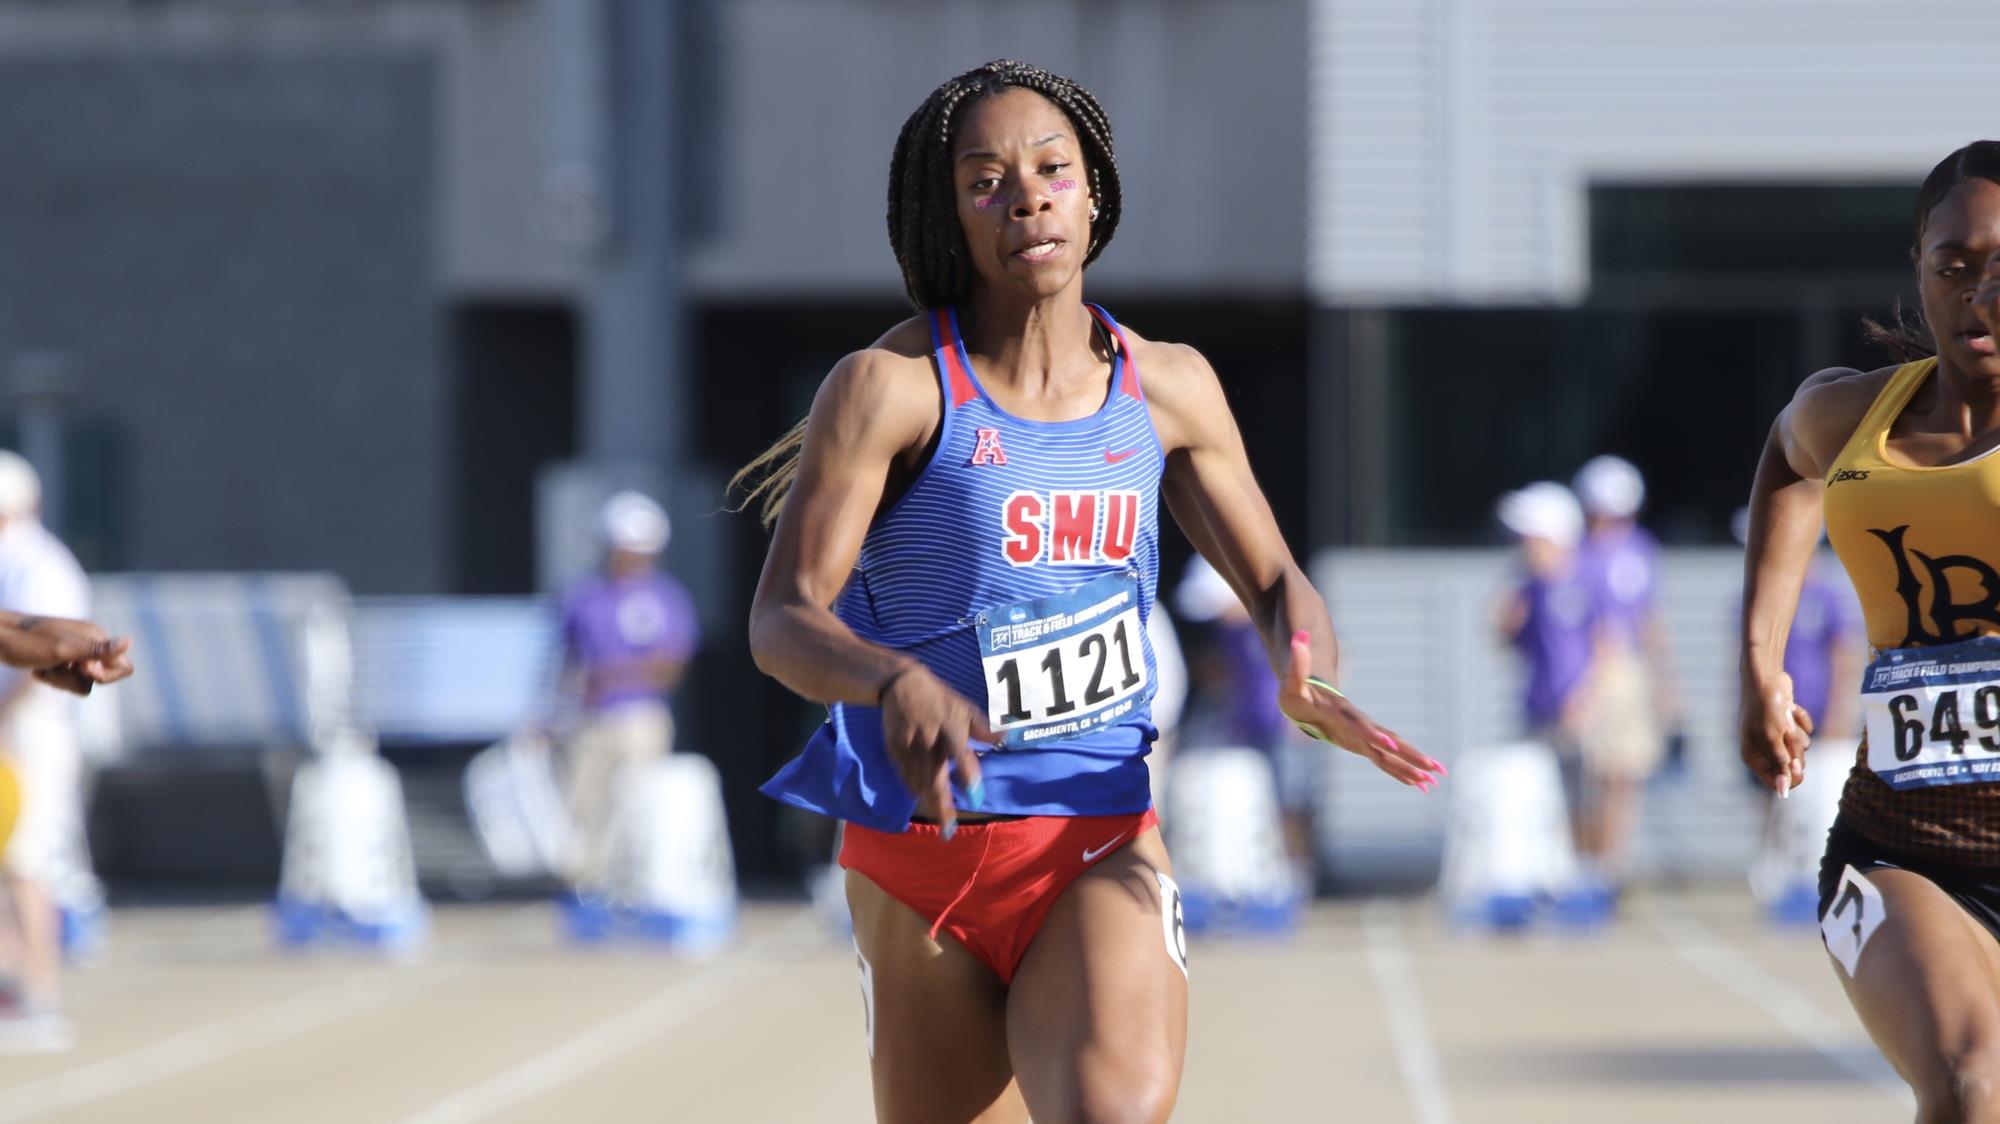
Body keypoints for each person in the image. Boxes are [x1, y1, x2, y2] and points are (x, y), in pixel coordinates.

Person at [733, 60, 1443, 1124]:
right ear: (950, 218)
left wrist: (1305, 668)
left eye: (1050, 169)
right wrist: (891, 683)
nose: (1024, 195)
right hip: (913, 856)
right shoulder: (890, 391)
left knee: (1111, 1107)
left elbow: (1272, 579)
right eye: (984, 181)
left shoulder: (1166, 384)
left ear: (1092, 191)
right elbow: (780, 619)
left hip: (1092, 831)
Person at [1742, 140, 2000, 1121]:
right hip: (1898, 853)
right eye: (1954, 264)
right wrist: (1757, 663)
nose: (1977, 293)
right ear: (1917, 264)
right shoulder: (1850, 418)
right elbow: (1782, 455)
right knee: (1968, 1080)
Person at [552, 490, 699, 911]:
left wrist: (614, 675)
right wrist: (554, 711)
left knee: (635, 804)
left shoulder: (666, 597)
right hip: (591, 718)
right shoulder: (581, 595)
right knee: (585, 805)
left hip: (641, 716)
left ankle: (632, 886)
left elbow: (673, 663)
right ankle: (587, 891)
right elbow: (564, 662)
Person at [0, 452, 102, 1052]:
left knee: (26, 859)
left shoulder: (37, 562)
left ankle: (40, 992)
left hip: (31, 732)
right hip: (14, 729)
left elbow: (39, 654)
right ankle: (14, 983)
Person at [1175, 555, 1322, 889]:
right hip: (1249, 727)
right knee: (1256, 800)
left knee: (1291, 806)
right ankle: (1268, 880)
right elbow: (1224, 672)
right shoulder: (1230, 632)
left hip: (1286, 728)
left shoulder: (1282, 620)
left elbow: (1325, 663)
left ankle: (1297, 882)